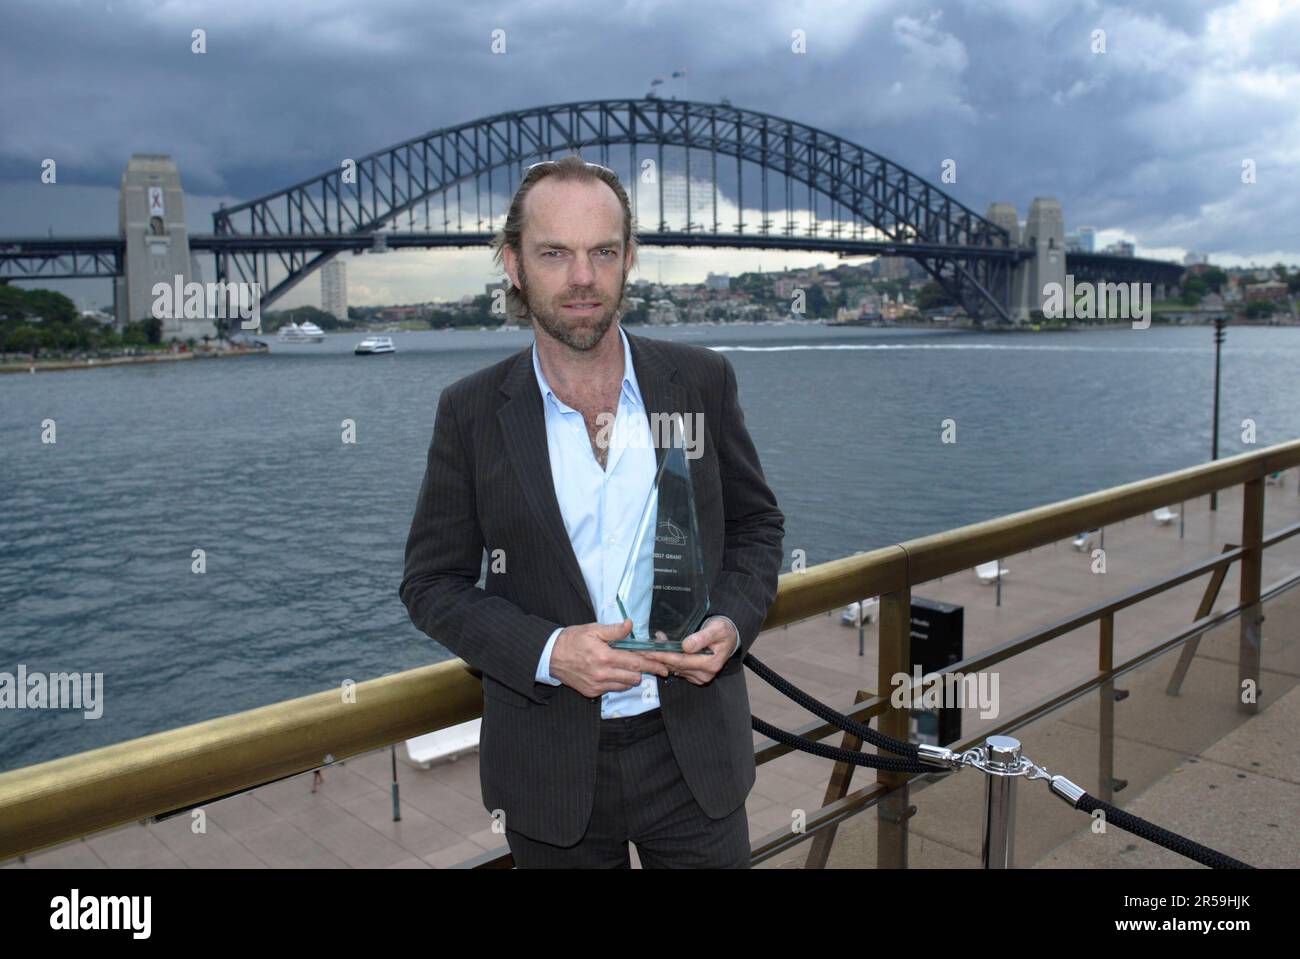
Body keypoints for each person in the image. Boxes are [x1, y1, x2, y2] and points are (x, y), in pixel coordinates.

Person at [399, 155, 784, 868]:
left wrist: (730, 621)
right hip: (550, 771)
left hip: (692, 756)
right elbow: (431, 585)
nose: (582, 277)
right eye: (555, 254)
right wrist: (549, 653)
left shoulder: (699, 381)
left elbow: (758, 527)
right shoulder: (472, 412)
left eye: (603, 251)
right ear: (513, 264)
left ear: (629, 258)